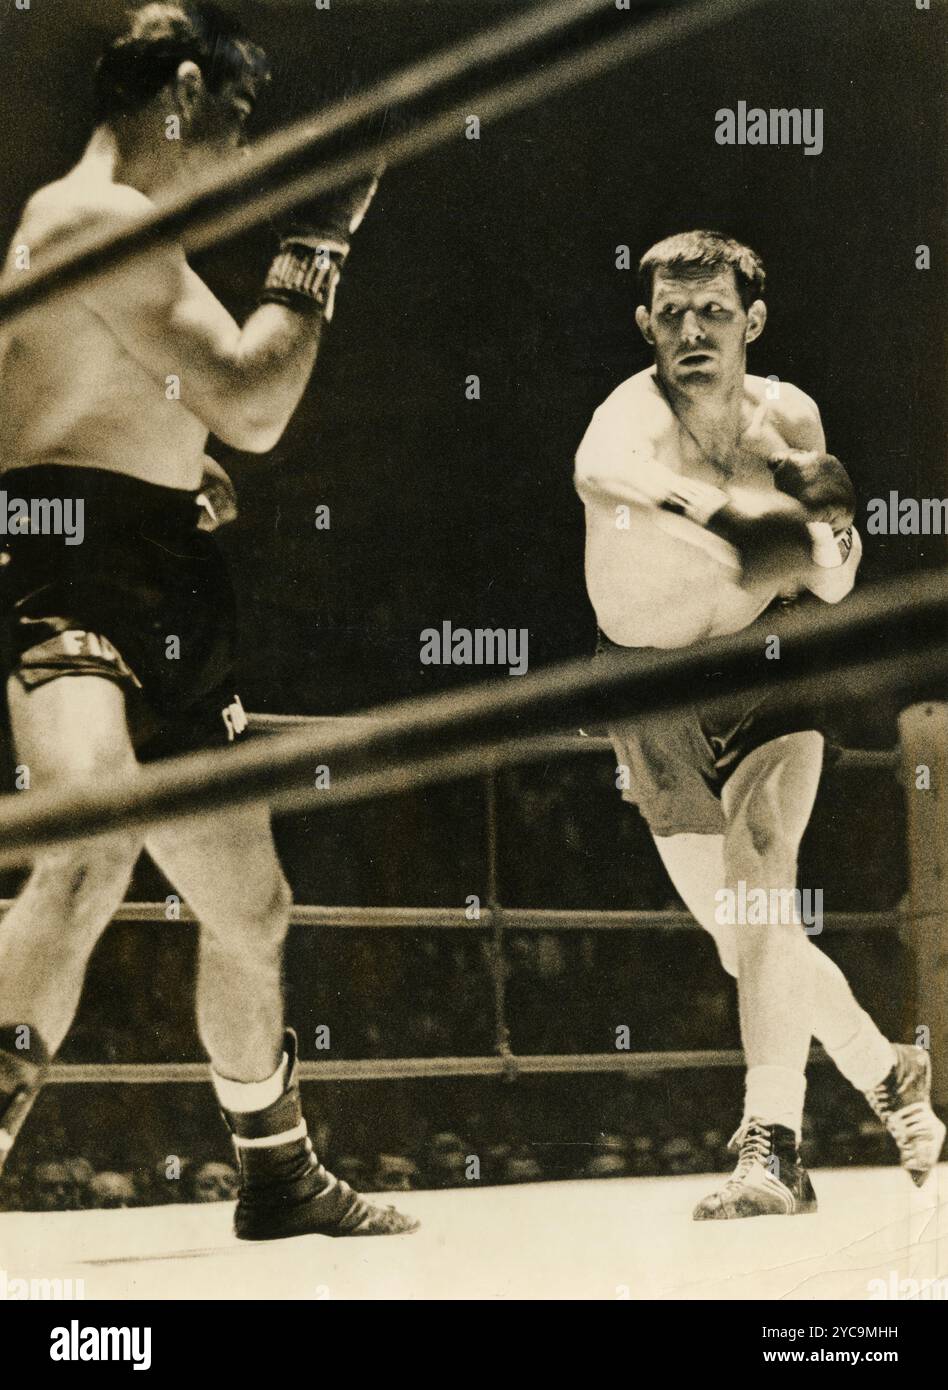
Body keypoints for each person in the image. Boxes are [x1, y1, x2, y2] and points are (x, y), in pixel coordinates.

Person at [0, 2, 416, 1239]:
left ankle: (276, 1165)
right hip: (66, 564)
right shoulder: (93, 217)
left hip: (151, 558)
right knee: (87, 840)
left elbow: (112, 394)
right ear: (183, 87)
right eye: (235, 115)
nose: (243, 146)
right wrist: (319, 237)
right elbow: (254, 398)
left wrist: (171, 467)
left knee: (250, 903)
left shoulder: (95, 235)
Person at [574, 229, 945, 1218]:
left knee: (764, 866)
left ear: (753, 321)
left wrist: (827, 534)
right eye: (674, 313)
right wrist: (731, 516)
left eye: (716, 312)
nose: (694, 330)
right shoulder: (625, 420)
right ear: (647, 321)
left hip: (771, 669)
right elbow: (601, 479)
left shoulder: (789, 415)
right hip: (649, 696)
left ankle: (768, 1145)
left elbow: (835, 578)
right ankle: (888, 1079)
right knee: (750, 938)